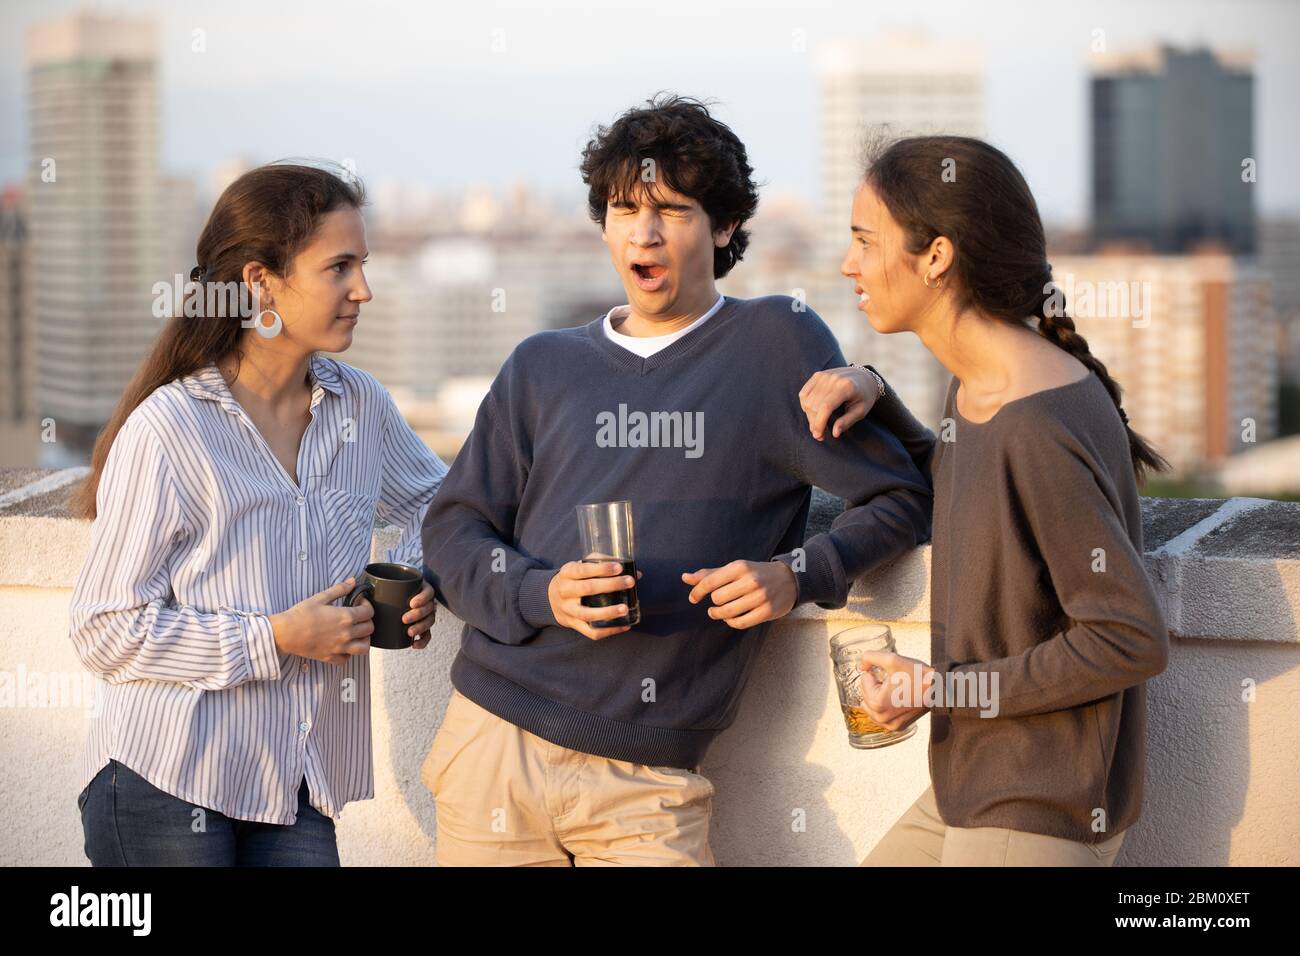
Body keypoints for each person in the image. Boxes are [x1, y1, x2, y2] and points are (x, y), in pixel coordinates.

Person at [419, 95, 933, 866]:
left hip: (648, 785)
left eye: (674, 210)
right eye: (625, 208)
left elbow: (904, 494)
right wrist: (541, 593)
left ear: (725, 228)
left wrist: (800, 573)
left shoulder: (775, 343)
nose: (644, 232)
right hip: (493, 745)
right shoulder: (541, 364)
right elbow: (453, 531)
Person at [798, 134, 1170, 866]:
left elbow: (1129, 638)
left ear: (936, 256)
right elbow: (970, 487)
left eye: (865, 242)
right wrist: (876, 390)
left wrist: (941, 689)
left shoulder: (1032, 419)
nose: (848, 265)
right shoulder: (984, 381)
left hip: (1033, 811)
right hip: (975, 783)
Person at [68, 162, 447, 866]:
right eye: (339, 267)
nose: (363, 289)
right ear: (259, 282)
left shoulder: (360, 404)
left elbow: (440, 500)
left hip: (295, 786)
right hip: (164, 781)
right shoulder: (170, 429)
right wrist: (273, 637)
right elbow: (102, 628)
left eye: (362, 265)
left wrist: (421, 579)